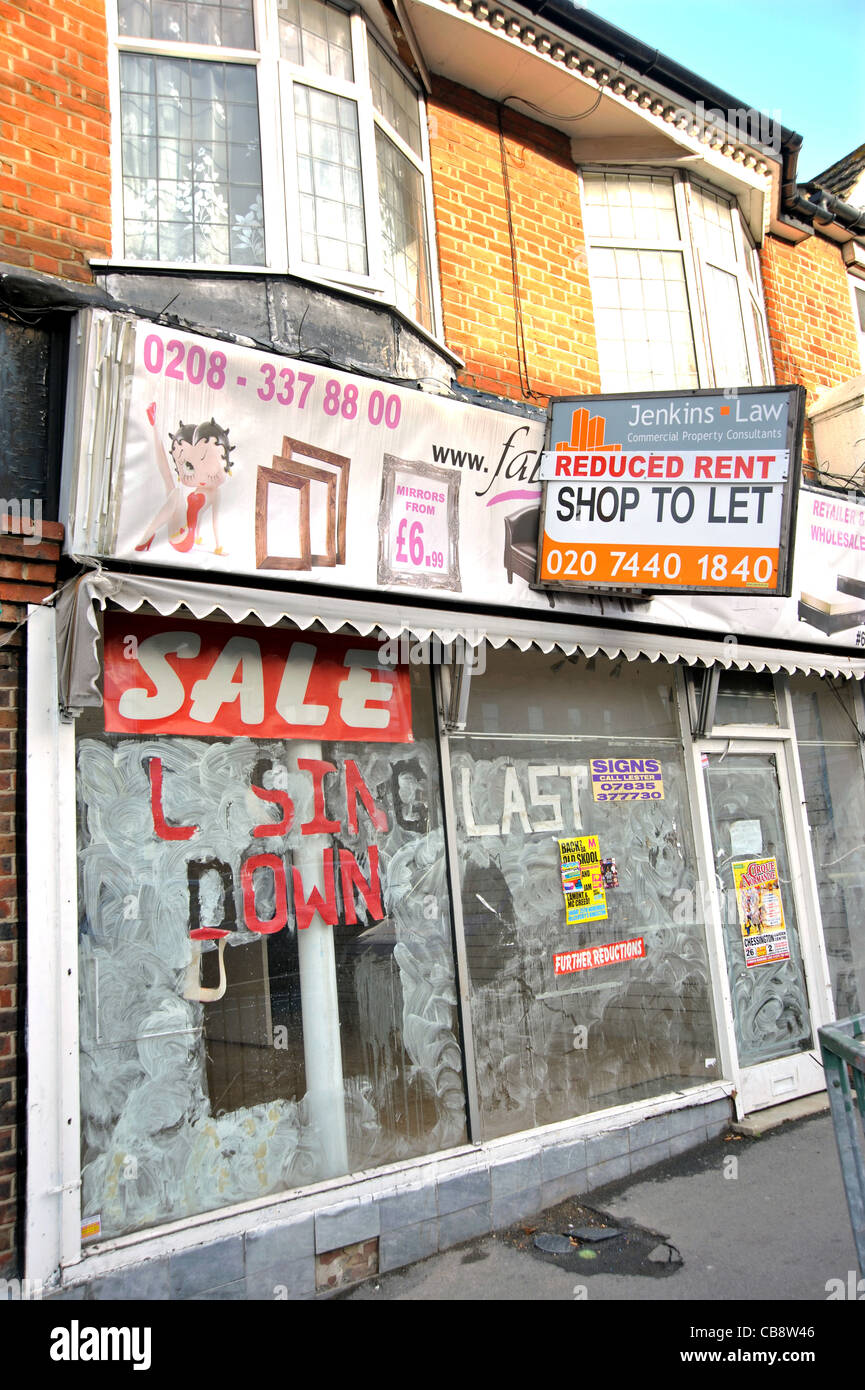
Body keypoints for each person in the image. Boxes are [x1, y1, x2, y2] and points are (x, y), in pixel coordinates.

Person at [135, 404, 234, 554]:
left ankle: (148, 534)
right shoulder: (200, 489)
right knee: (168, 479)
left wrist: (218, 547)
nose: (201, 474)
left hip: (185, 540)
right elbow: (198, 515)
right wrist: (198, 537)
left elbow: (215, 520)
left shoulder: (215, 493)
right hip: (179, 531)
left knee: (176, 492)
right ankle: (154, 426)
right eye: (190, 467)